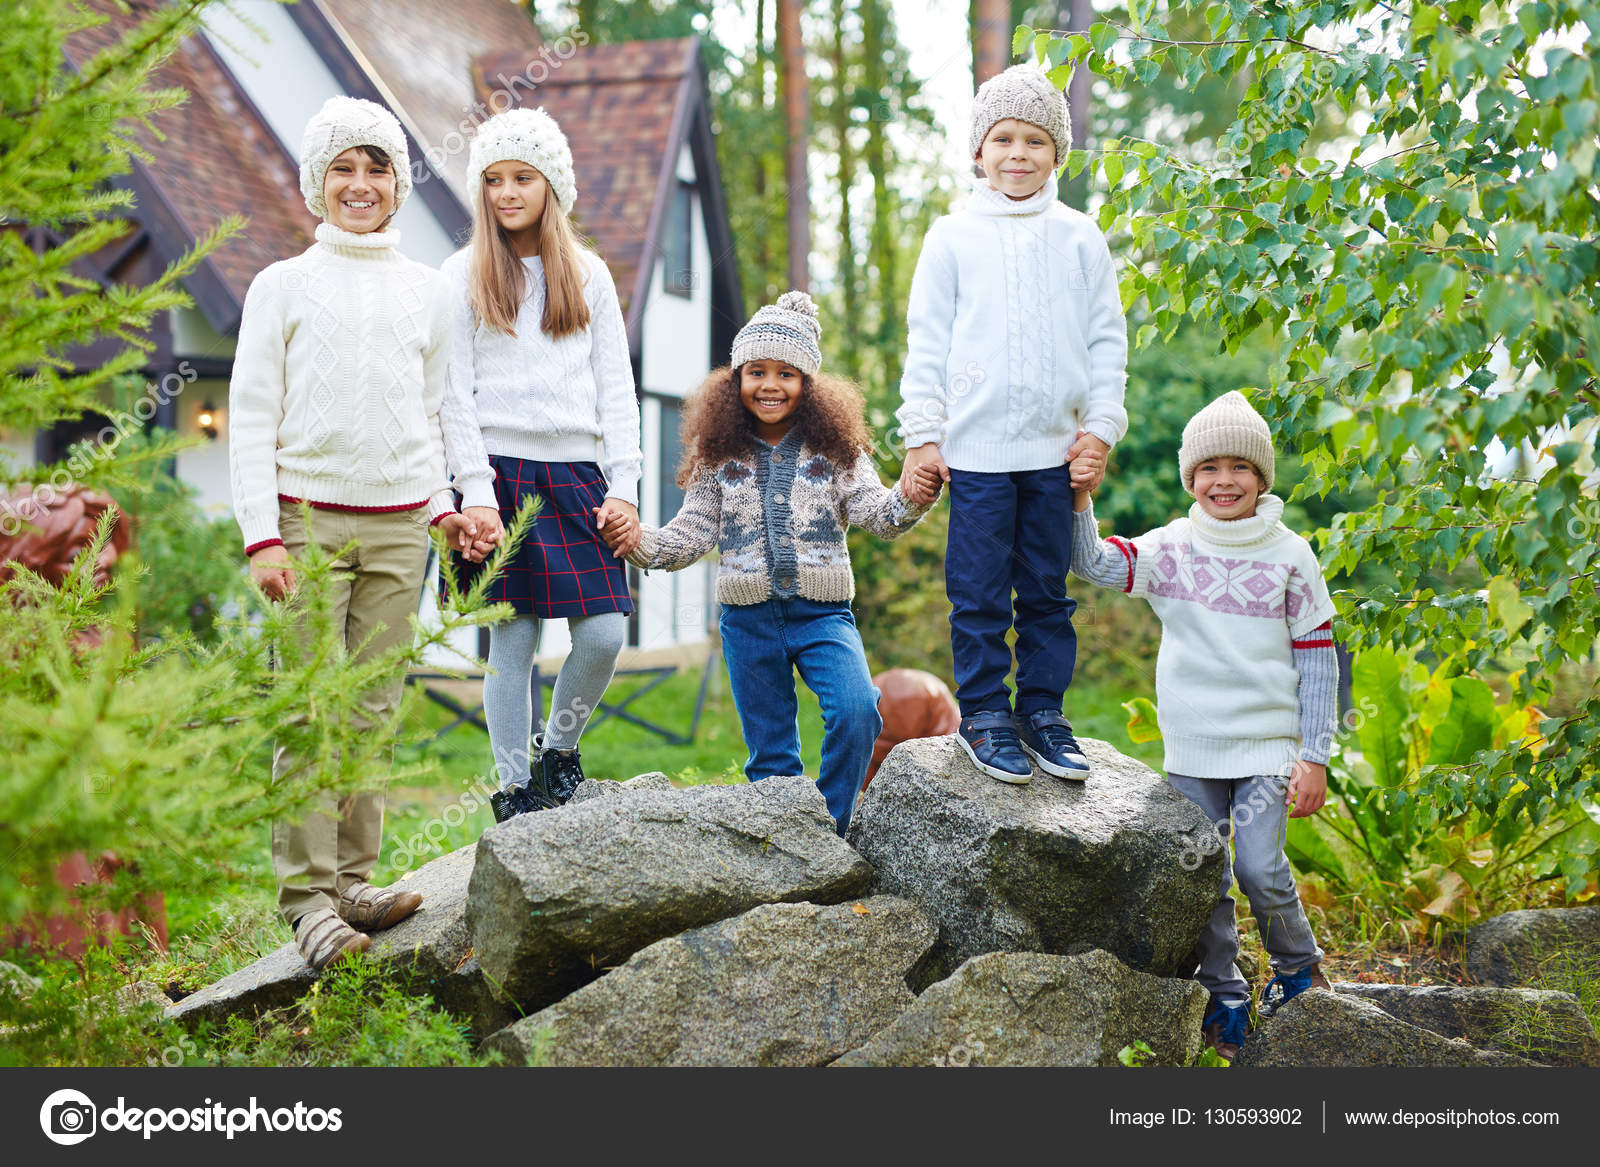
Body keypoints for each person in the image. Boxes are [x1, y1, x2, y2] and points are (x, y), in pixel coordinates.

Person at [230, 97, 476, 971]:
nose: (361, 184)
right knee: (309, 705)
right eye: (344, 168)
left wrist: (448, 499)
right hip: (306, 521)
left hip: (405, 524)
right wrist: (262, 535)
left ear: (400, 185)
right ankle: (306, 900)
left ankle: (352, 881)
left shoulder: (427, 291)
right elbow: (252, 415)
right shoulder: (283, 285)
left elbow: (440, 406)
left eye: (378, 169)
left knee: (372, 708)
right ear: (316, 184)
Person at [604, 292, 943, 835]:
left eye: (786, 373)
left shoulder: (837, 451)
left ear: (808, 385)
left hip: (823, 617)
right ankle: (785, 846)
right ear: (735, 380)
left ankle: (832, 827)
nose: (769, 384)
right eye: (756, 371)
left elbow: (878, 515)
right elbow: (691, 534)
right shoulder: (717, 455)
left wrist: (913, 497)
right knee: (771, 755)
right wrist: (639, 540)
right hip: (748, 623)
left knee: (858, 711)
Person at [1068, 390, 1339, 1060]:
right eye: (1209, 467)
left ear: (1262, 478)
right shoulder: (1171, 547)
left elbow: (1320, 659)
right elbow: (1096, 563)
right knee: (1204, 880)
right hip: (1193, 749)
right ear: (1191, 478)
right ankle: (1223, 993)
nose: (1225, 480)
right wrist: (1080, 499)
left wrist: (1316, 753)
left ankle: (1298, 967)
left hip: (1269, 748)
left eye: (1240, 467)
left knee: (1259, 866)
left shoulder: (1291, 554)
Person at [895, 64, 1128, 785]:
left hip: (1055, 455)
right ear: (978, 151)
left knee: (1047, 595)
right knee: (980, 593)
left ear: (1057, 152)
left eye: (1034, 140)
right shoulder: (952, 236)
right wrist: (922, 437)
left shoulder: (1080, 237)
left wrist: (1101, 428)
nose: (1018, 154)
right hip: (977, 455)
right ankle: (986, 715)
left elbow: (1106, 340)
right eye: (1003, 139)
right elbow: (927, 344)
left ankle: (1044, 713)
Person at [437, 107, 642, 823]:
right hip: (498, 477)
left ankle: (560, 751)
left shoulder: (588, 276)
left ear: (551, 184)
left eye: (522, 177)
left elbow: (618, 390)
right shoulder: (459, 275)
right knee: (513, 641)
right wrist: (476, 492)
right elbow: (451, 396)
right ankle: (515, 787)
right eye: (492, 179)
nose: (506, 192)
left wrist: (626, 488)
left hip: (578, 477)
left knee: (605, 631)